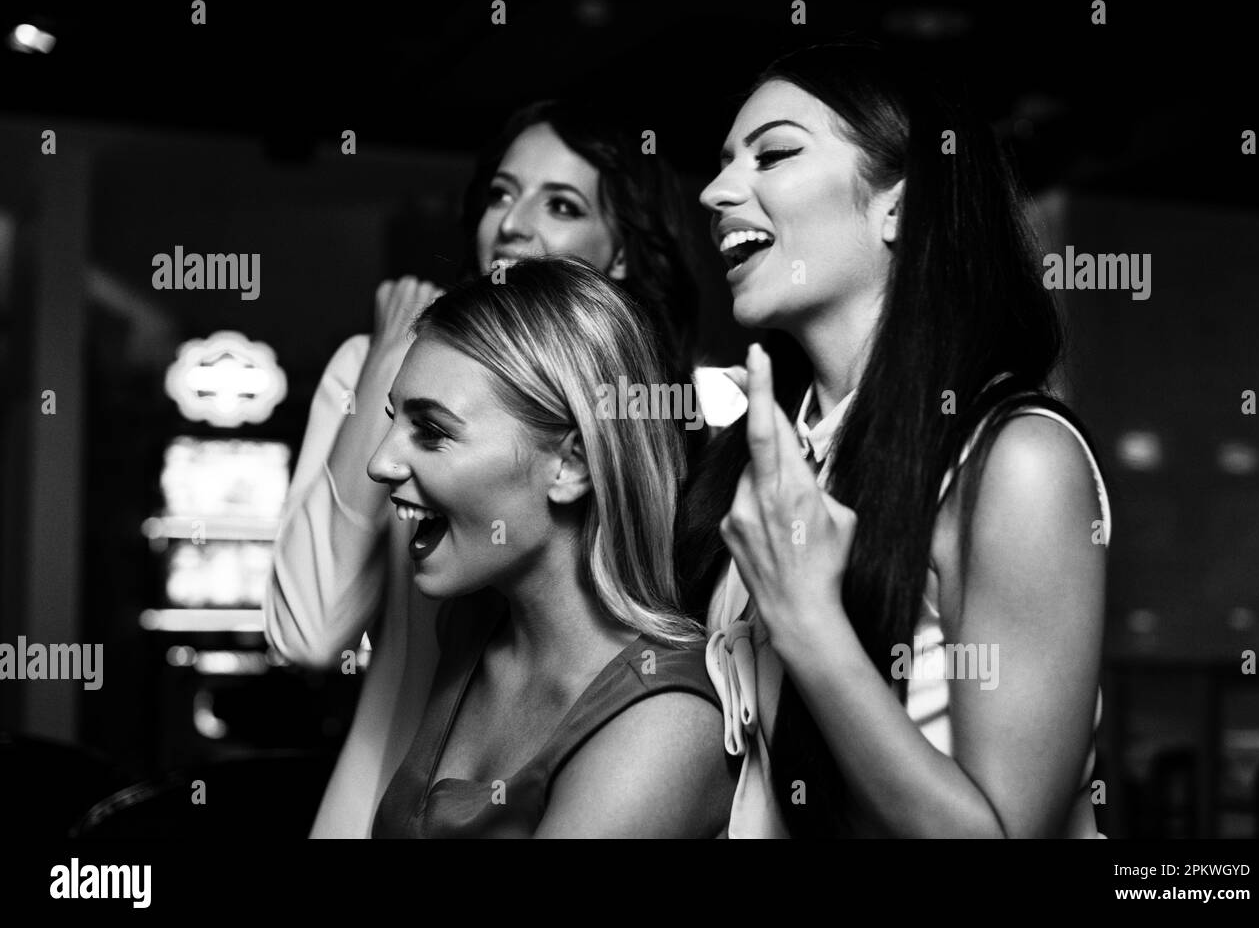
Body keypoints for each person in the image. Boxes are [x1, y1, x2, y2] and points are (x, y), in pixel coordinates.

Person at [680, 43, 1110, 837]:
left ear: (898, 209)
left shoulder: (1016, 462)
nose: (716, 191)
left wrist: (808, 621)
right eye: (721, 163)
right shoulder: (760, 460)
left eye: (772, 153)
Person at [263, 100, 710, 837]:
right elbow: (307, 631)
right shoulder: (381, 365)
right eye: (501, 193)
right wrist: (381, 366)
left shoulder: (660, 421)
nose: (513, 223)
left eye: (561, 203)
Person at [366, 257, 733, 837]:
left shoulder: (664, 720)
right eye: (392, 421)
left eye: (431, 431)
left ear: (571, 464)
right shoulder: (467, 628)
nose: (380, 463)